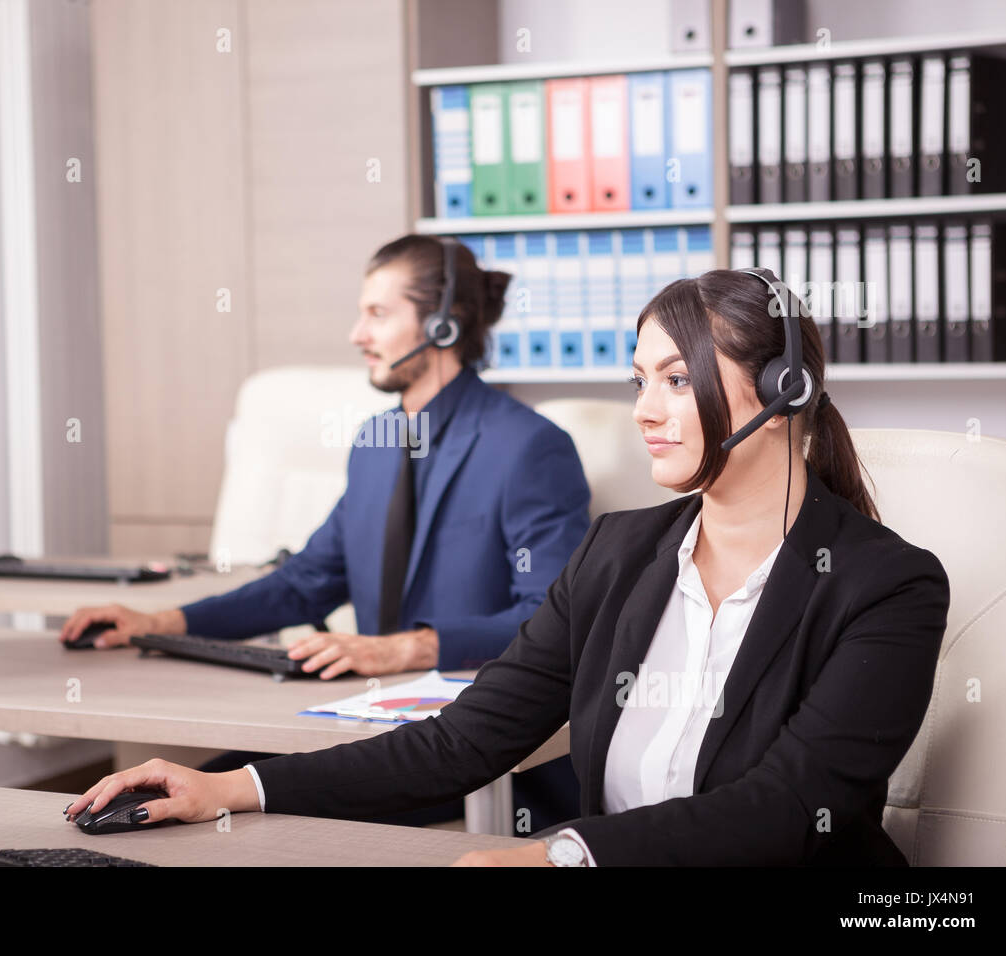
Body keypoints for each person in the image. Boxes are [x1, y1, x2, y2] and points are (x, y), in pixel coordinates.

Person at [66, 267, 952, 866]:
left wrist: (561, 852)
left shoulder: (887, 585)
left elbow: (792, 806)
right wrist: (228, 786)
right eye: (638, 379)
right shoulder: (621, 553)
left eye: (677, 381)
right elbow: (464, 740)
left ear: (786, 391)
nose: (644, 409)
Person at [61, 234, 592, 833]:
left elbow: (551, 622)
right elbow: (307, 581)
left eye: (378, 314)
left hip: (479, 749)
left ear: (444, 324)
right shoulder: (375, 442)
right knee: (180, 804)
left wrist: (401, 647)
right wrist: (161, 624)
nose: (356, 334)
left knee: (226, 816)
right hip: (371, 725)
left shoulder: (528, 447)